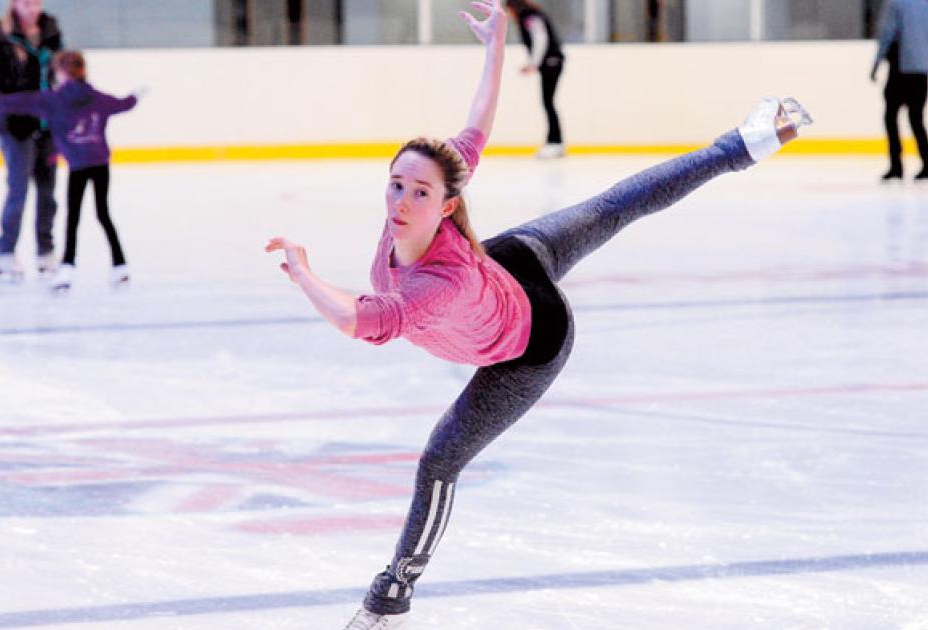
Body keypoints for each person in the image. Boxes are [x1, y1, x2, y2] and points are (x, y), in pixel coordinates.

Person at [264, 2, 811, 628]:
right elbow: (477, 124)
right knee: (608, 209)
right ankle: (745, 144)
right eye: (396, 185)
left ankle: (390, 597)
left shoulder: (438, 281)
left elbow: (359, 320)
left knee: (439, 462)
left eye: (420, 192)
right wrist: (496, 43)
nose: (402, 200)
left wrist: (304, 273)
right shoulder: (427, 216)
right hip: (510, 264)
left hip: (530, 344)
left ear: (446, 207)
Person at [0, 51, 140, 292]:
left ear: (60, 72)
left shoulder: (53, 100)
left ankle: (68, 267)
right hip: (100, 163)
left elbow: (25, 101)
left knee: (73, 218)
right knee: (103, 214)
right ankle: (119, 265)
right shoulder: (96, 97)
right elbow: (121, 104)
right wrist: (135, 97)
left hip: (79, 166)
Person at [0, 0, 63, 283]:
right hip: (16, 127)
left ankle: (45, 250)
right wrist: (17, 103)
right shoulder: (0, 35)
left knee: (48, 193)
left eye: (36, 3)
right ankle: (5, 253)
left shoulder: (51, 30)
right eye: (26, 3)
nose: (32, 8)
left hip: (48, 127)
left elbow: (59, 72)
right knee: (18, 190)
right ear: (15, 4)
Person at [871, 0, 928, 182]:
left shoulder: (895, 4)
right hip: (922, 69)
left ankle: (896, 166)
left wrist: (877, 63)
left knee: (891, 117)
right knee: (916, 119)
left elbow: (888, 33)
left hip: (900, 69)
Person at [505, 0, 566, 159]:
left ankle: (555, 143)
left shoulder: (530, 17)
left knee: (548, 102)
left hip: (551, 61)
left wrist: (533, 63)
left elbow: (540, 38)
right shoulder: (531, 16)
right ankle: (554, 142)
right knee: (548, 102)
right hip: (550, 62)